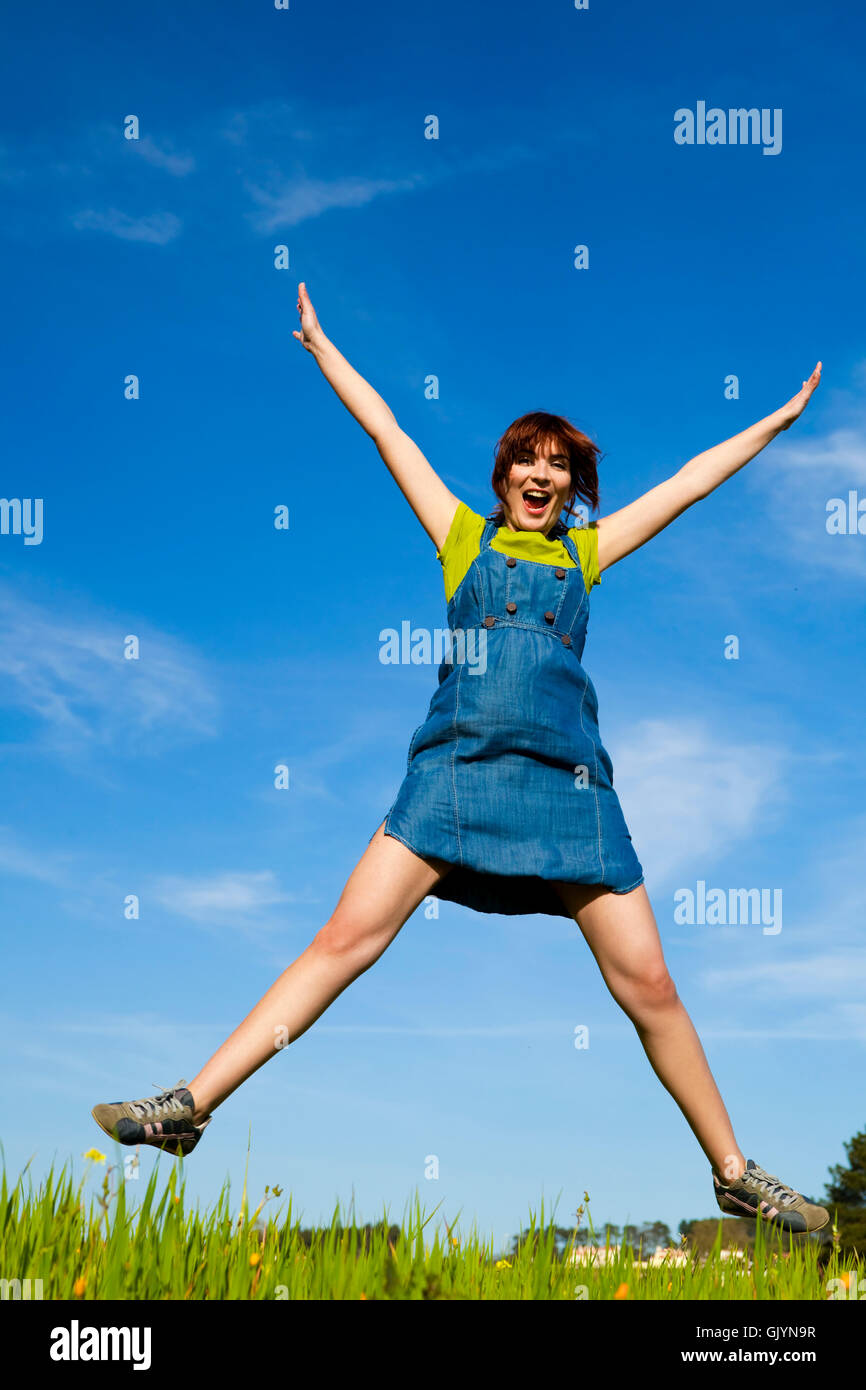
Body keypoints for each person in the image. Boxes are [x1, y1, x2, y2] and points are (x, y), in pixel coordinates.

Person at [92, 286, 827, 1234]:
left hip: (570, 790)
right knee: (341, 944)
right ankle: (191, 1106)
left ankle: (733, 1172)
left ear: (573, 488)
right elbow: (386, 427)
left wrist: (778, 419)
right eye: (527, 458)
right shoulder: (459, 536)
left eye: (559, 465)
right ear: (503, 474)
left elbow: (689, 482)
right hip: (453, 774)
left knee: (650, 985)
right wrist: (322, 347)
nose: (541, 472)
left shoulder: (591, 555)